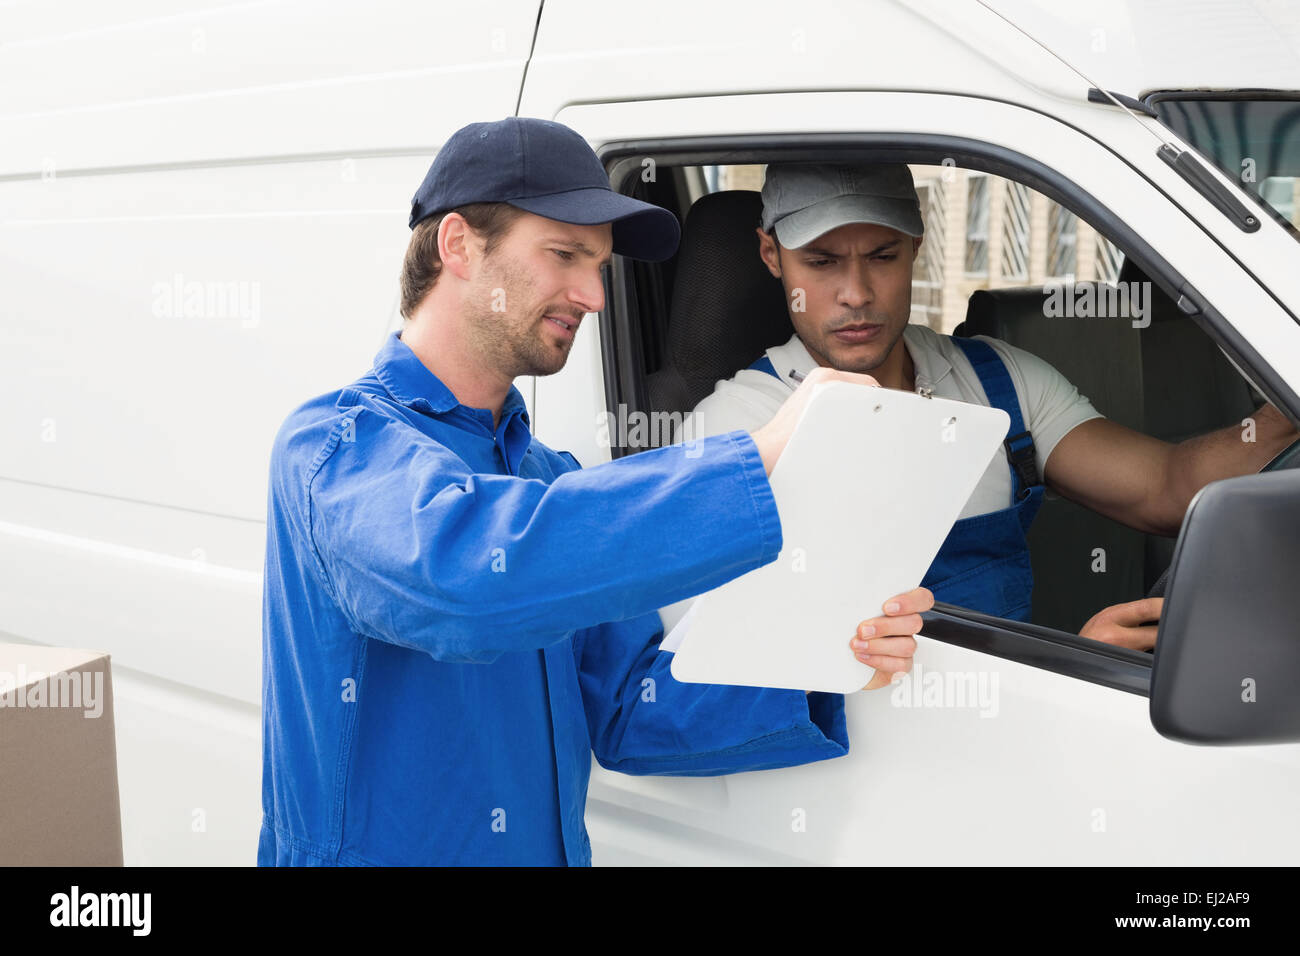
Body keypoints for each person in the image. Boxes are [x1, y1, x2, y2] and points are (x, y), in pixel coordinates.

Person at [258, 119, 930, 867]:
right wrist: (759, 459)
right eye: (564, 255)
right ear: (458, 245)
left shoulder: (549, 478)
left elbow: (626, 709)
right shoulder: (334, 447)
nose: (593, 295)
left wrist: (829, 672)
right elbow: (468, 578)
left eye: (599, 265)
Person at [674, 162, 1298, 651]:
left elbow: (1167, 487)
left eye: (882, 257)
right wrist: (1068, 669)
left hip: (1008, 753)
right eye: (822, 262)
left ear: (917, 246)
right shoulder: (731, 431)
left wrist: (1283, 414)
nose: (857, 294)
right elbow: (713, 666)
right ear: (769, 256)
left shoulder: (1000, 381)